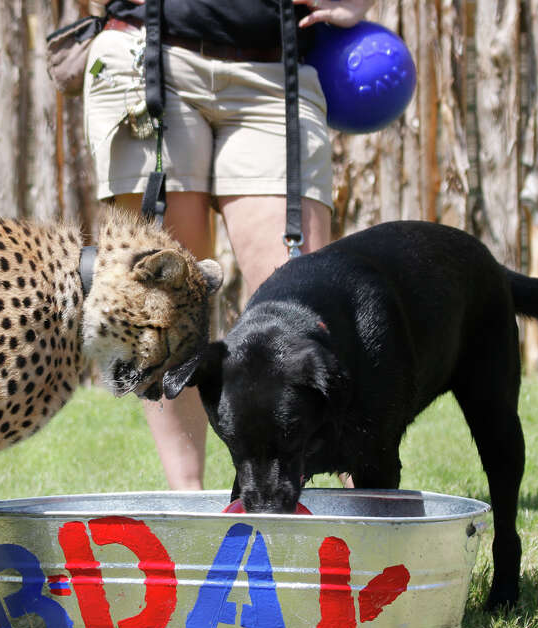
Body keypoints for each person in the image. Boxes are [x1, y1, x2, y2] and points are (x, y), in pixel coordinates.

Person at [82, 0, 375, 489]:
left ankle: (364, 507)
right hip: (147, 55)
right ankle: (189, 507)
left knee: (305, 309)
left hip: (274, 68)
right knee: (163, 309)